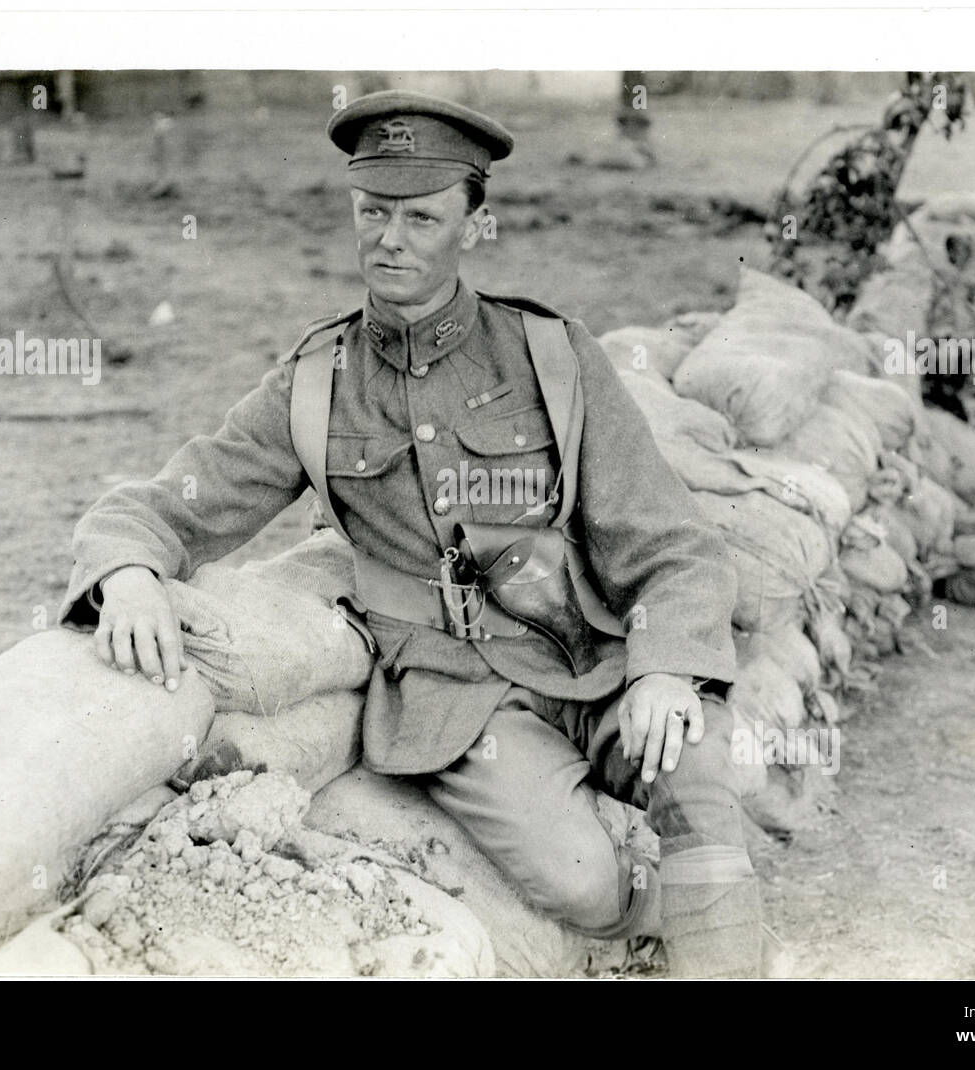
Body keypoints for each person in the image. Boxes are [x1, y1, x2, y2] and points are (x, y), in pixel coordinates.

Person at [60, 90, 761, 977]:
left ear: (474, 223)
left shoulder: (552, 355)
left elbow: (672, 541)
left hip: (599, 655)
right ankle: (677, 908)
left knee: (695, 763)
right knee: (582, 885)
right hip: (455, 701)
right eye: (372, 213)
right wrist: (125, 571)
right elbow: (175, 500)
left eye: (421, 217)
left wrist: (666, 666)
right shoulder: (316, 384)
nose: (390, 239)